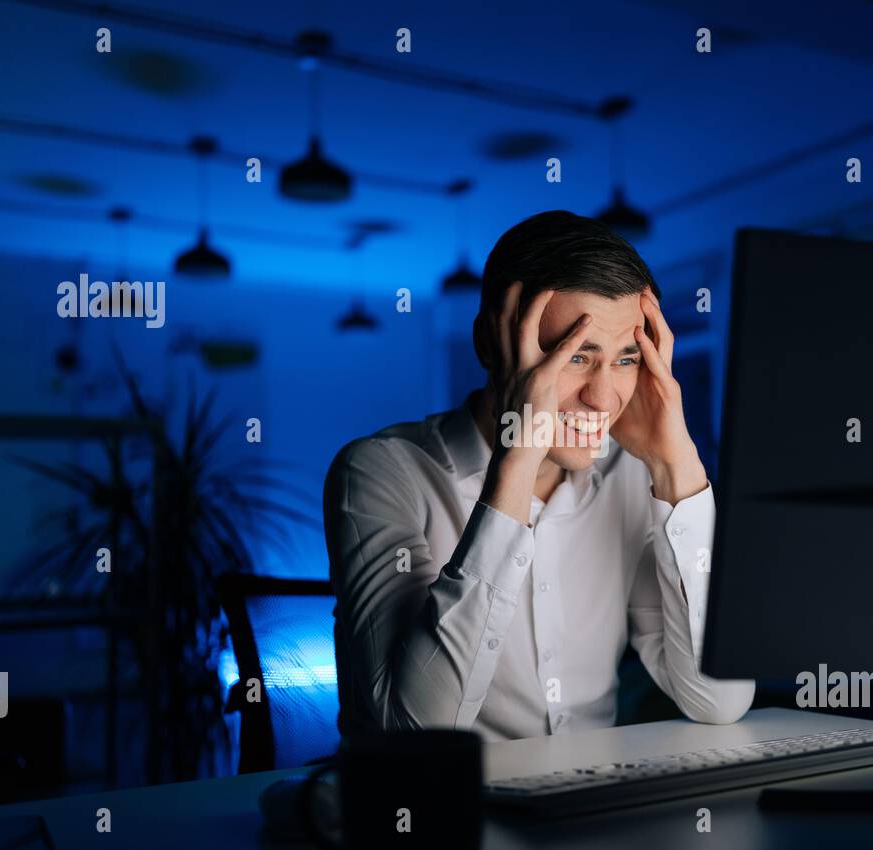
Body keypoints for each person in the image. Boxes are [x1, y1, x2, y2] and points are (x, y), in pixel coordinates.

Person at [323, 210, 755, 740]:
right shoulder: (381, 471)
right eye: (573, 357)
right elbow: (410, 731)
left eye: (625, 359)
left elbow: (719, 700)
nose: (602, 398)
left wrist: (677, 464)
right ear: (491, 345)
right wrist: (518, 463)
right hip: (432, 813)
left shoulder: (627, 477)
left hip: (589, 809)